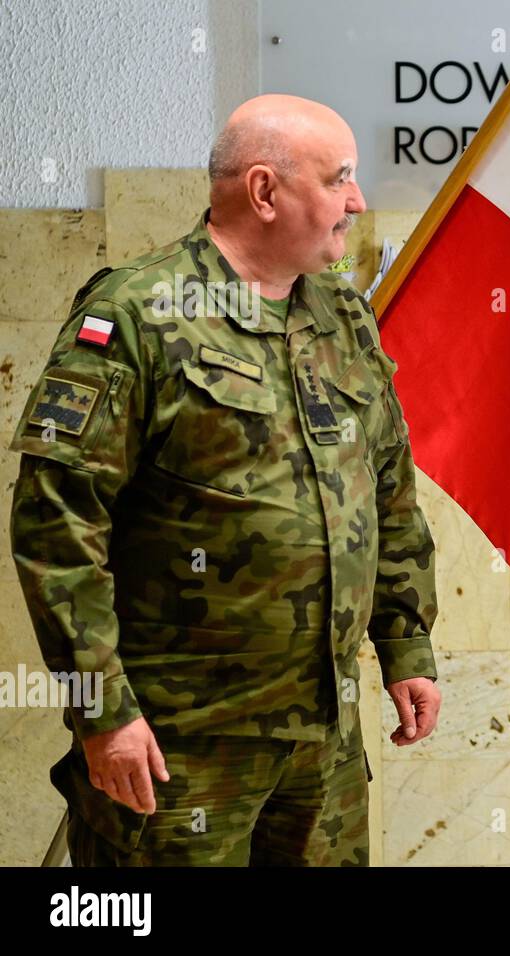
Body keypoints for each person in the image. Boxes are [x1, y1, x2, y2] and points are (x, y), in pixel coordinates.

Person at [8, 94, 441, 865]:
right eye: (339, 178)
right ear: (265, 191)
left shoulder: (340, 314)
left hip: (323, 747)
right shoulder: (137, 314)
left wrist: (405, 641)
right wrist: (101, 712)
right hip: (178, 748)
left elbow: (387, 486)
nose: (357, 201)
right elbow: (57, 527)